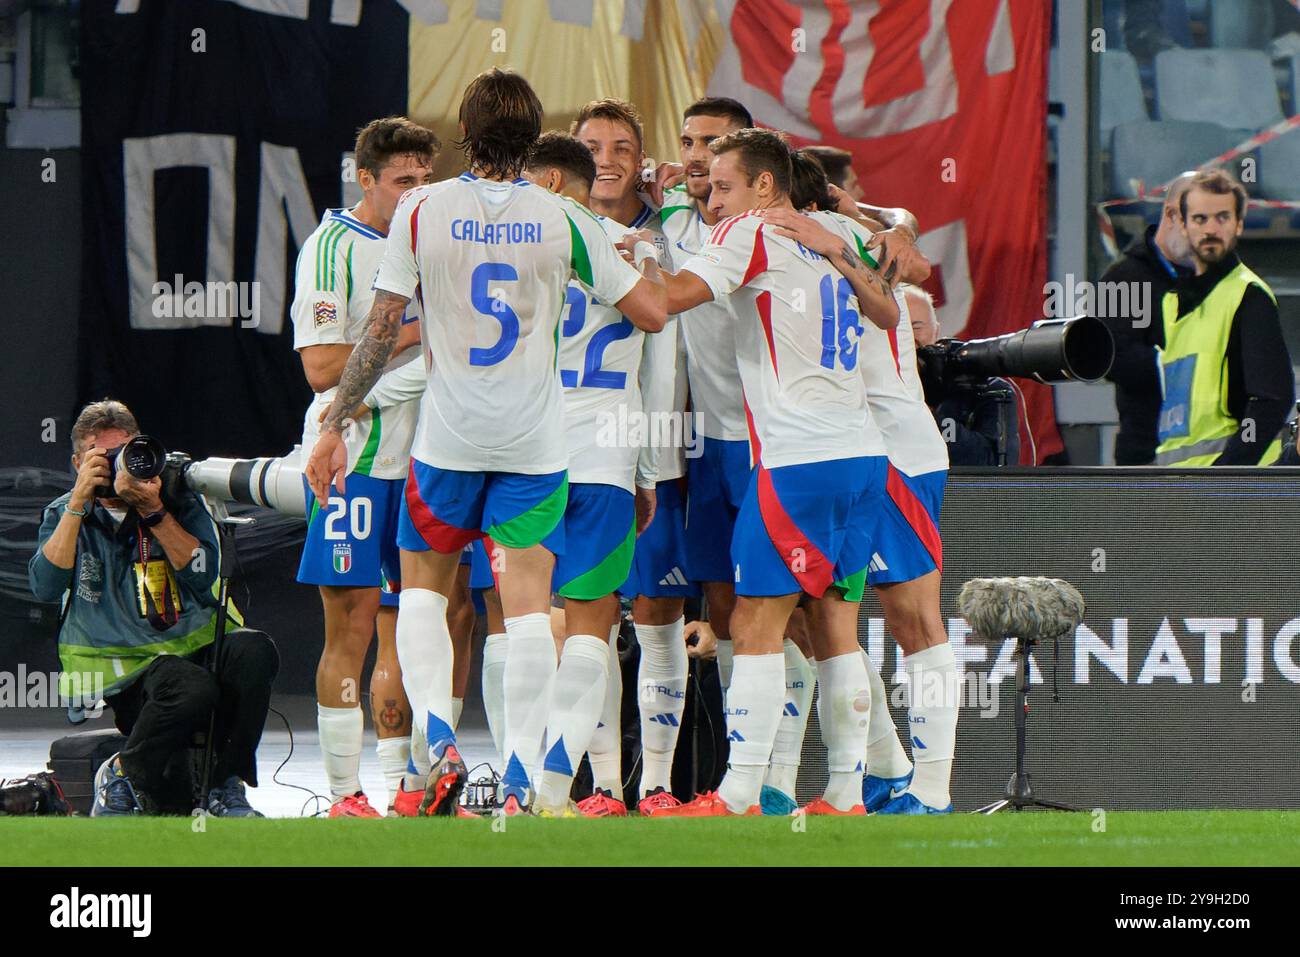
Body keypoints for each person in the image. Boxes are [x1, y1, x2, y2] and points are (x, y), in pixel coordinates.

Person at [305, 68, 666, 817]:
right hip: (536, 442)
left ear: (464, 134)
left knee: (424, 593)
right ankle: (523, 772)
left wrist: (336, 423)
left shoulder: (422, 209)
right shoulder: (567, 218)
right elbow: (650, 313)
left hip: (448, 440)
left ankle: (438, 743)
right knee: (530, 607)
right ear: (534, 136)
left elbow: (377, 335)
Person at [645, 128, 899, 817]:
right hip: (862, 457)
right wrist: (847, 248)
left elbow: (669, 298)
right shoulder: (830, 227)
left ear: (763, 185)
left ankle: (736, 794)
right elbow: (889, 309)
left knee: (755, 622)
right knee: (835, 628)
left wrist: (609, 263)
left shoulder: (747, 231)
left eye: (723, 185)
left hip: (796, 460)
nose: (712, 198)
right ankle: (846, 793)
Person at [774, 154, 959, 815]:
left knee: (915, 622)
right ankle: (877, 770)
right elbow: (904, 234)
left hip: (897, 453)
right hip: (847, 452)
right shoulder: (808, 242)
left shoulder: (848, 244)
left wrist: (858, 226)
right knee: (814, 619)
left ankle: (932, 793)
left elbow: (908, 266)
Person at [519, 127, 670, 817]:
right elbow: (660, 368)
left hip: (528, 451)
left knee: (523, 624)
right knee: (591, 625)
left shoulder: (525, 245)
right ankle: (559, 786)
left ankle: (522, 780)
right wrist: (650, 471)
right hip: (608, 457)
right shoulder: (640, 252)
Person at [292, 116, 440, 818]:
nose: (416, 193)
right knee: (348, 629)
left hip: (428, 460)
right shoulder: (331, 248)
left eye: (424, 180)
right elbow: (322, 368)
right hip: (353, 459)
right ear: (366, 179)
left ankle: (406, 786)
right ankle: (346, 794)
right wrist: (417, 328)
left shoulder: (433, 240)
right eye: (402, 181)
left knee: (419, 626)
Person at [28, 400, 277, 817]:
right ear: (77, 462)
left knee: (255, 650)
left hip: (189, 643)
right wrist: (77, 502)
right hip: (127, 664)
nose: (116, 465)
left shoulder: (177, 502)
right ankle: (122, 772)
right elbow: (45, 586)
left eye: (124, 453)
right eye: (101, 455)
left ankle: (224, 786)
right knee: (190, 685)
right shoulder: (66, 512)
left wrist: (154, 511)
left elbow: (202, 576)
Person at [568, 98, 694, 816]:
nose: (607, 157)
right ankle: (606, 784)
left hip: (642, 459)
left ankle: (660, 783)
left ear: (641, 161)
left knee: (656, 616)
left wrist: (654, 464)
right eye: (593, 144)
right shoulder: (547, 234)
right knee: (589, 619)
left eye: (622, 145)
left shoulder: (664, 238)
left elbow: (664, 362)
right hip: (568, 458)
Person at [1154, 169, 1293, 466]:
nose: (1211, 229)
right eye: (1200, 219)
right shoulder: (1171, 304)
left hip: (1228, 494)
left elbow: (1271, 402)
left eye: (1222, 218)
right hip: (1175, 486)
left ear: (1239, 224)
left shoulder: (1248, 295)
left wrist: (1227, 473)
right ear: (1182, 223)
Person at [1100, 172, 1196, 465]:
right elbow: (1111, 356)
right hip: (1145, 449)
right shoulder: (1123, 278)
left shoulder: (1219, 280)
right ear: (1171, 215)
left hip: (1213, 453)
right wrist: (1187, 364)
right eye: (1199, 220)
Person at [909, 287, 1021, 466]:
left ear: (937, 331)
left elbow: (993, 466)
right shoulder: (871, 387)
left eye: (916, 327)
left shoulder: (989, 390)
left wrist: (927, 414)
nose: (908, 337)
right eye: (899, 329)